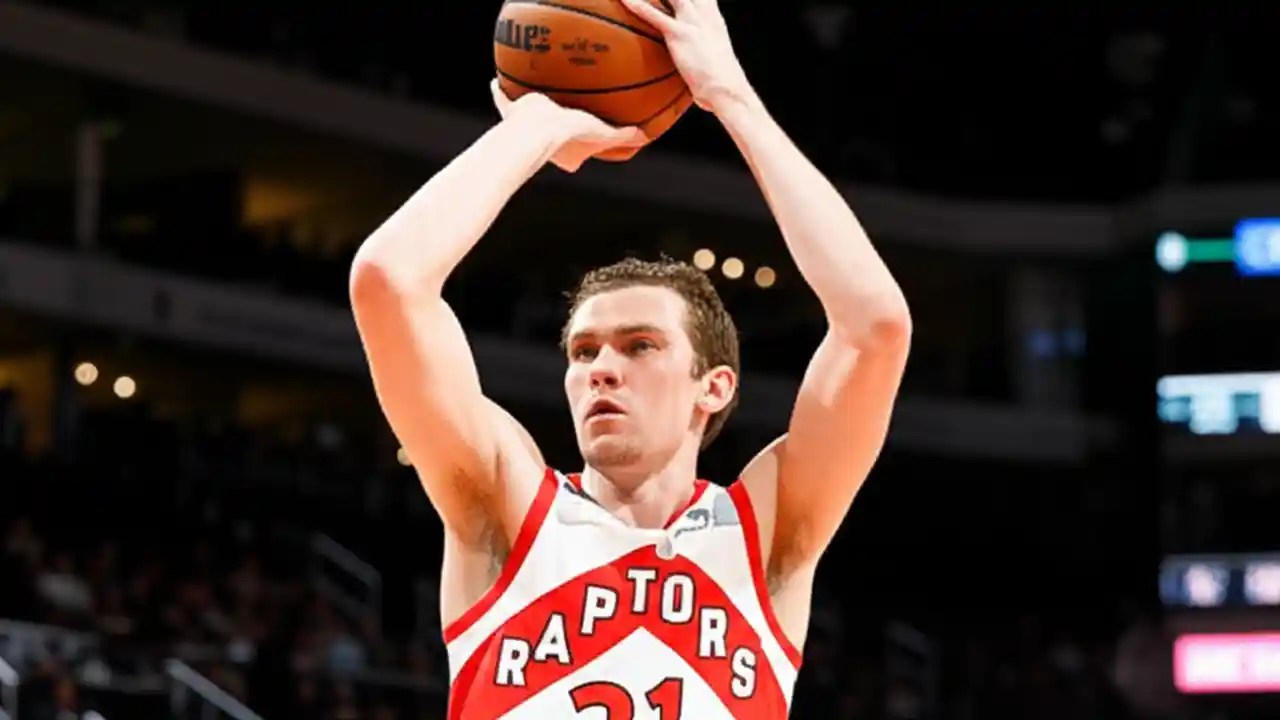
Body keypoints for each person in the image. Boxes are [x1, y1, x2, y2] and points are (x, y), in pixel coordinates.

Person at [349, 0, 911, 716]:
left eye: (641, 345)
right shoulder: (508, 508)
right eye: (583, 351)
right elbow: (389, 281)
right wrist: (535, 127)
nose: (601, 369)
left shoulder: (767, 535)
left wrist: (732, 97)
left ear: (714, 387)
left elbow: (876, 327)